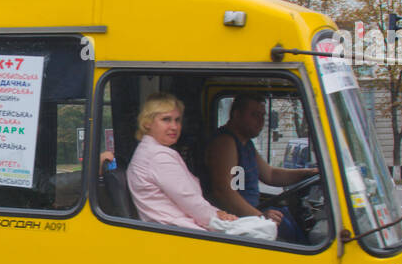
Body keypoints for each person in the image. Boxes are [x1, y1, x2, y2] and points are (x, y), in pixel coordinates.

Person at [205, 93, 317, 242]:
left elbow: (270, 175)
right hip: (236, 220)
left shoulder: (246, 143)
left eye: (263, 115)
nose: (261, 121)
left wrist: (309, 173)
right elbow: (223, 191)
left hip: (251, 214)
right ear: (237, 114)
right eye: (254, 115)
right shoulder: (225, 141)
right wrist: (260, 218)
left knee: (286, 216)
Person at [125, 93, 235, 230]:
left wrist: (218, 213)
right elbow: (189, 201)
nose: (174, 127)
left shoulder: (149, 151)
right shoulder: (157, 156)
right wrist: (222, 219)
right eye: (166, 120)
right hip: (177, 232)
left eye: (177, 120)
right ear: (147, 123)